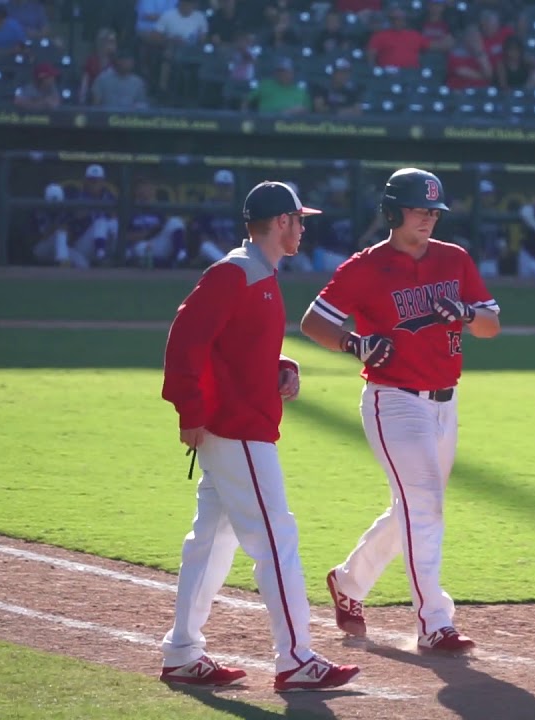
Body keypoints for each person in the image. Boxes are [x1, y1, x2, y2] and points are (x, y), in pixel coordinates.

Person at [159, 181, 361, 692]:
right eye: (297, 219)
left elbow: (234, 347)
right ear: (279, 223)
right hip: (238, 430)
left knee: (210, 542)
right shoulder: (236, 272)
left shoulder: (259, 273)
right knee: (277, 539)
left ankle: (183, 652)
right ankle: (296, 659)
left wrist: (279, 366)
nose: (303, 227)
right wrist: (190, 409)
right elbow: (185, 339)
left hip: (240, 424)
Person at [298, 168, 502, 654]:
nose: (428, 218)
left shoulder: (455, 259)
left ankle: (348, 583)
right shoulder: (365, 267)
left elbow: (492, 324)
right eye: (418, 209)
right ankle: (435, 620)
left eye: (434, 211)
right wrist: (355, 343)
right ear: (393, 212)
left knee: (412, 508)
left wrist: (469, 315)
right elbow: (313, 322)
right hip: (393, 401)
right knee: (425, 504)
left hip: (445, 405)